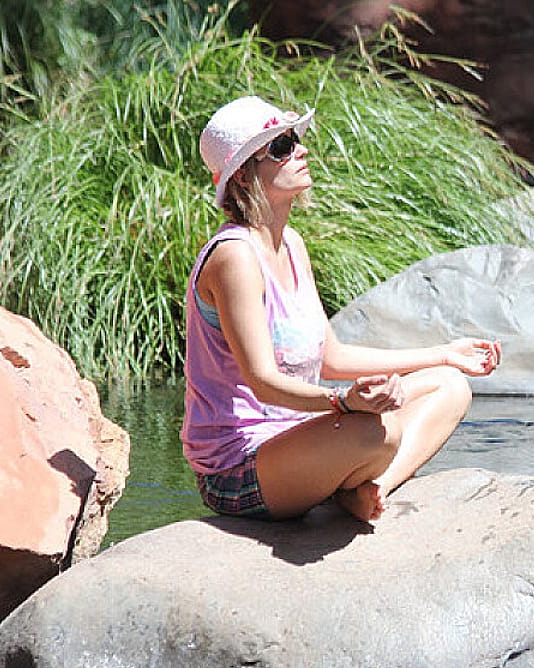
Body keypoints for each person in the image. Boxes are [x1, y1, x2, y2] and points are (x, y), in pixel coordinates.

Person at [181, 95, 501, 523]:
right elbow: (263, 382)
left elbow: (331, 357)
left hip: (302, 439)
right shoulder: (235, 256)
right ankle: (352, 483)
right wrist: (344, 403)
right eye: (281, 146)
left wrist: (444, 354)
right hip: (238, 466)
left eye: (296, 139)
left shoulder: (291, 244)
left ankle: (372, 491)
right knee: (375, 431)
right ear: (243, 175)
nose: (301, 150)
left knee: (449, 386)